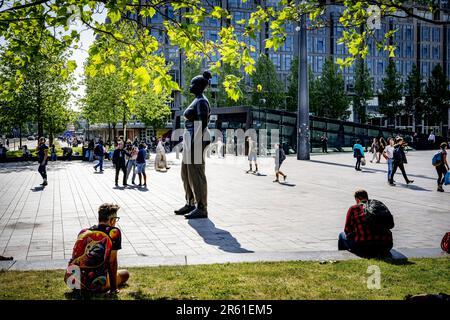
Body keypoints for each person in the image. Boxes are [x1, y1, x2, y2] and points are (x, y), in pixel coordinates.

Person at [64, 203, 129, 294]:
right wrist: (114, 289)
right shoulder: (113, 232)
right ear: (112, 220)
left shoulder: (84, 232)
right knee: (125, 273)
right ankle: (109, 286)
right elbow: (112, 261)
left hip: (73, 282)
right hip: (95, 285)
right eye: (116, 219)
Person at [174, 71, 212, 219]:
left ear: (198, 86)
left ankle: (202, 207)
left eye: (192, 84)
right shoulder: (197, 100)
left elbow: (202, 123)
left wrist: (195, 142)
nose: (190, 86)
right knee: (185, 172)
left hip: (197, 138)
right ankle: (190, 202)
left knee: (196, 173)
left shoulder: (202, 101)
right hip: (190, 138)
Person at [338, 189, 393, 257]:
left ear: (357, 199)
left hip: (365, 246)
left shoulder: (354, 208)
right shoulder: (377, 206)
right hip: (386, 245)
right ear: (367, 197)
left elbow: (347, 230)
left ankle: (341, 257)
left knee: (341, 235)